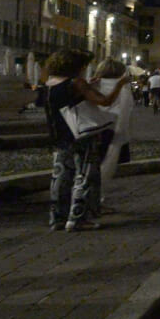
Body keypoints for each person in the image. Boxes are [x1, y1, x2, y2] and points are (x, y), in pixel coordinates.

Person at [42, 48, 123, 231]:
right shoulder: (77, 83)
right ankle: (78, 217)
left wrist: (87, 85)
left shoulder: (49, 84)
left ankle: (57, 218)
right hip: (81, 135)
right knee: (85, 176)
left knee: (61, 176)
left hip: (59, 137)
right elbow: (105, 101)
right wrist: (120, 84)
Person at [95, 59, 136, 184]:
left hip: (96, 128)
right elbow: (128, 107)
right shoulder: (123, 86)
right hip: (115, 129)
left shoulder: (94, 84)